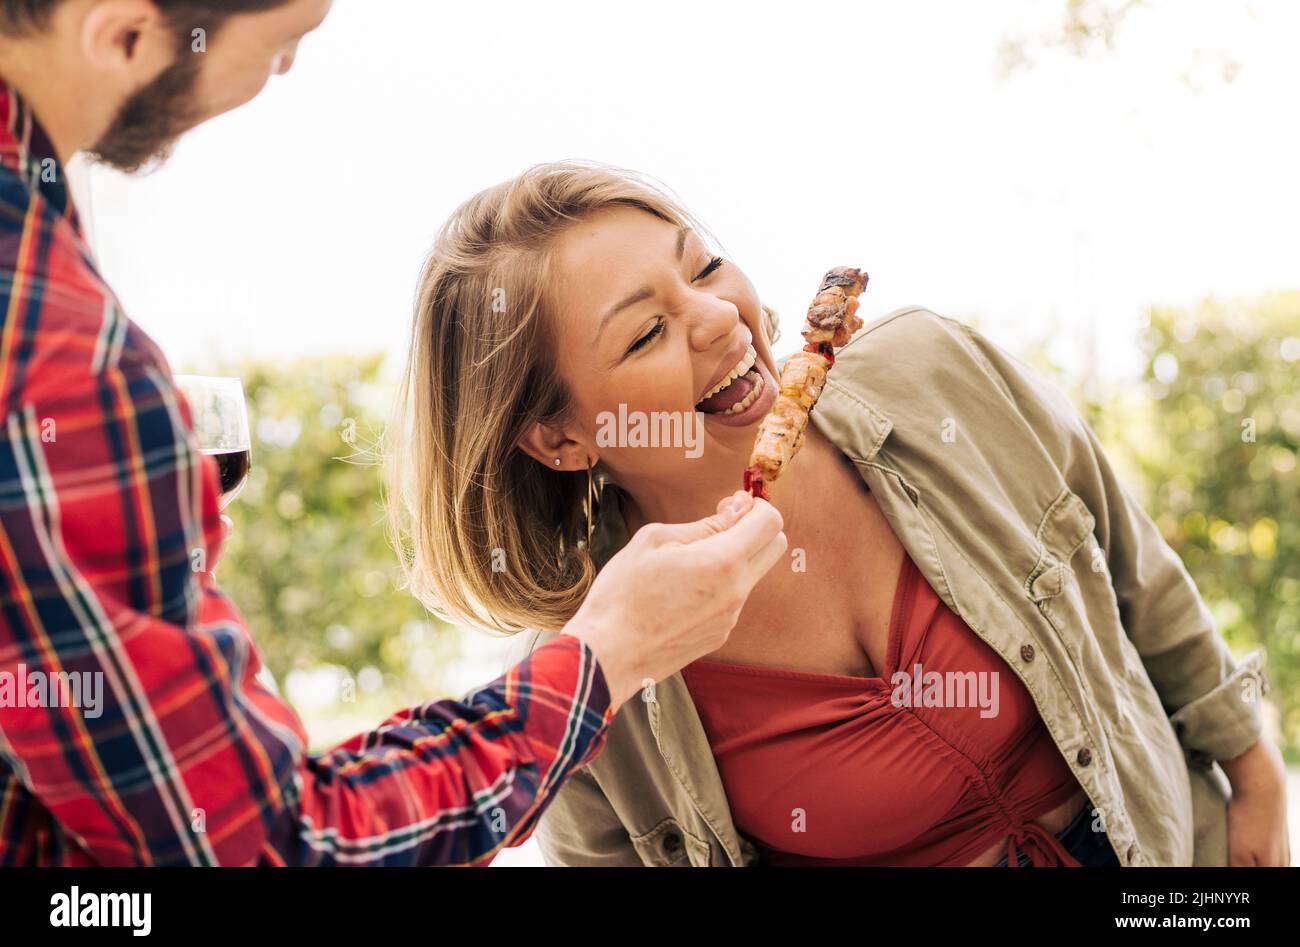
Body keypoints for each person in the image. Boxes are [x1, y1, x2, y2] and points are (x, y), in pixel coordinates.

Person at [0, 0, 786, 866]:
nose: (288, 69)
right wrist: (603, 658)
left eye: (703, 263)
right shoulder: (55, 349)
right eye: (286, 41)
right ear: (122, 32)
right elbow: (269, 849)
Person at [385, 158, 1290, 867]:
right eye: (645, 332)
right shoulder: (588, 690)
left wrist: (1254, 775)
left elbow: (1134, 573)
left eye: (701, 266)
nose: (718, 318)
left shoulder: (937, 374)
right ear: (560, 439)